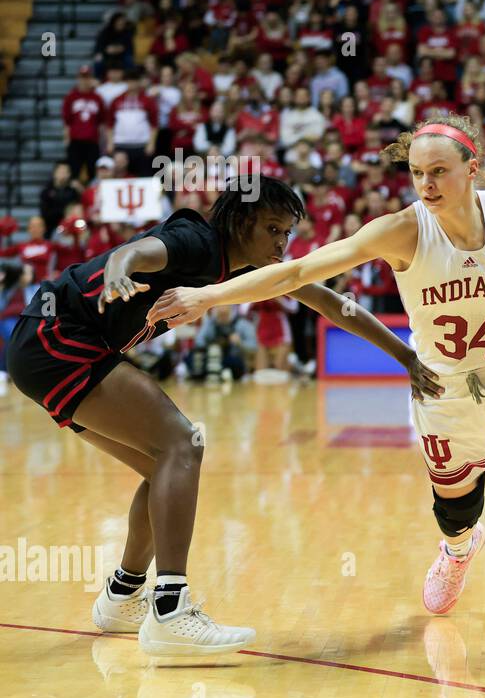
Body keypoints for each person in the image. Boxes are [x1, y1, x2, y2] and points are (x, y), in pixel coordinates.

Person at [148, 116, 485, 662]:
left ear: (473, 171)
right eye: (416, 173)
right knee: (456, 513)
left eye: (439, 171)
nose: (427, 184)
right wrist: (208, 297)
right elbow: (298, 273)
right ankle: (459, 549)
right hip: (443, 385)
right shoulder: (401, 230)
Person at [4, 178, 430, 656]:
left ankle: (123, 597)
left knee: (161, 464)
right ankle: (171, 609)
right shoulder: (197, 241)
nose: (280, 243)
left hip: (49, 347)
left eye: (287, 233)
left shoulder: (251, 269)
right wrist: (119, 268)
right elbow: (138, 253)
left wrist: (407, 358)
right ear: (242, 220)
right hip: (55, 337)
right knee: (183, 445)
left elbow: (335, 304)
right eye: (272, 228)